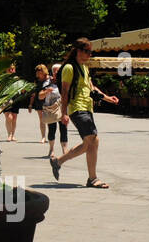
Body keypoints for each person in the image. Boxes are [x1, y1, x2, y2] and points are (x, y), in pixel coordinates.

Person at [51, 38, 119, 189]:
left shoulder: (85, 68)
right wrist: (64, 113)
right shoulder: (69, 68)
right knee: (92, 139)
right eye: (87, 51)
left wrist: (108, 98)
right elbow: (64, 91)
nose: (90, 54)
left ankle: (58, 161)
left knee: (92, 143)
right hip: (77, 108)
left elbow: (92, 89)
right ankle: (92, 178)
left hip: (87, 108)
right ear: (79, 51)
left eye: (90, 52)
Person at [36, 63, 69, 158]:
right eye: (55, 71)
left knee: (63, 129)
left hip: (62, 108)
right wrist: (47, 91)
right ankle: (51, 149)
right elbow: (40, 96)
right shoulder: (46, 82)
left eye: (58, 71)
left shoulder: (65, 81)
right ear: (52, 72)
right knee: (52, 129)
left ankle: (64, 150)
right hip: (50, 109)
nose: (56, 73)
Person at [2, 62, 23, 141]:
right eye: (10, 69)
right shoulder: (3, 78)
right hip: (6, 98)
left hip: (15, 98)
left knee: (14, 117)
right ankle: (9, 134)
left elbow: (20, 88)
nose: (12, 70)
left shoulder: (17, 78)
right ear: (6, 70)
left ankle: (13, 135)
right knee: (9, 117)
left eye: (13, 69)